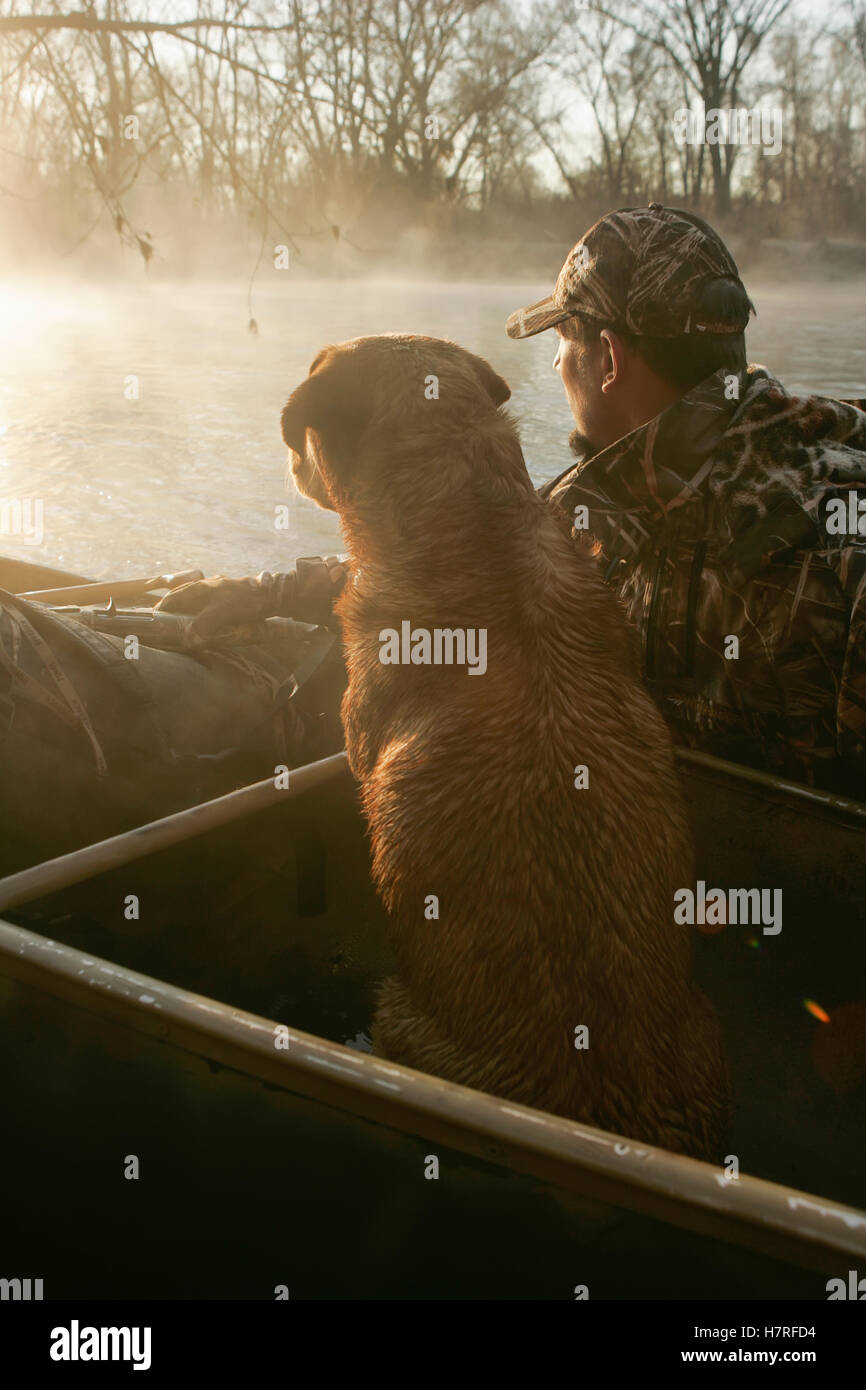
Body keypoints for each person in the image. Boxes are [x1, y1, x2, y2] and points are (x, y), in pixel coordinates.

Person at [159, 204, 866, 796]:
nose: (557, 363)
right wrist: (276, 587)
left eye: (562, 338)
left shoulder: (816, 560)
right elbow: (454, 579)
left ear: (610, 361)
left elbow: (463, 584)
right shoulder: (620, 496)